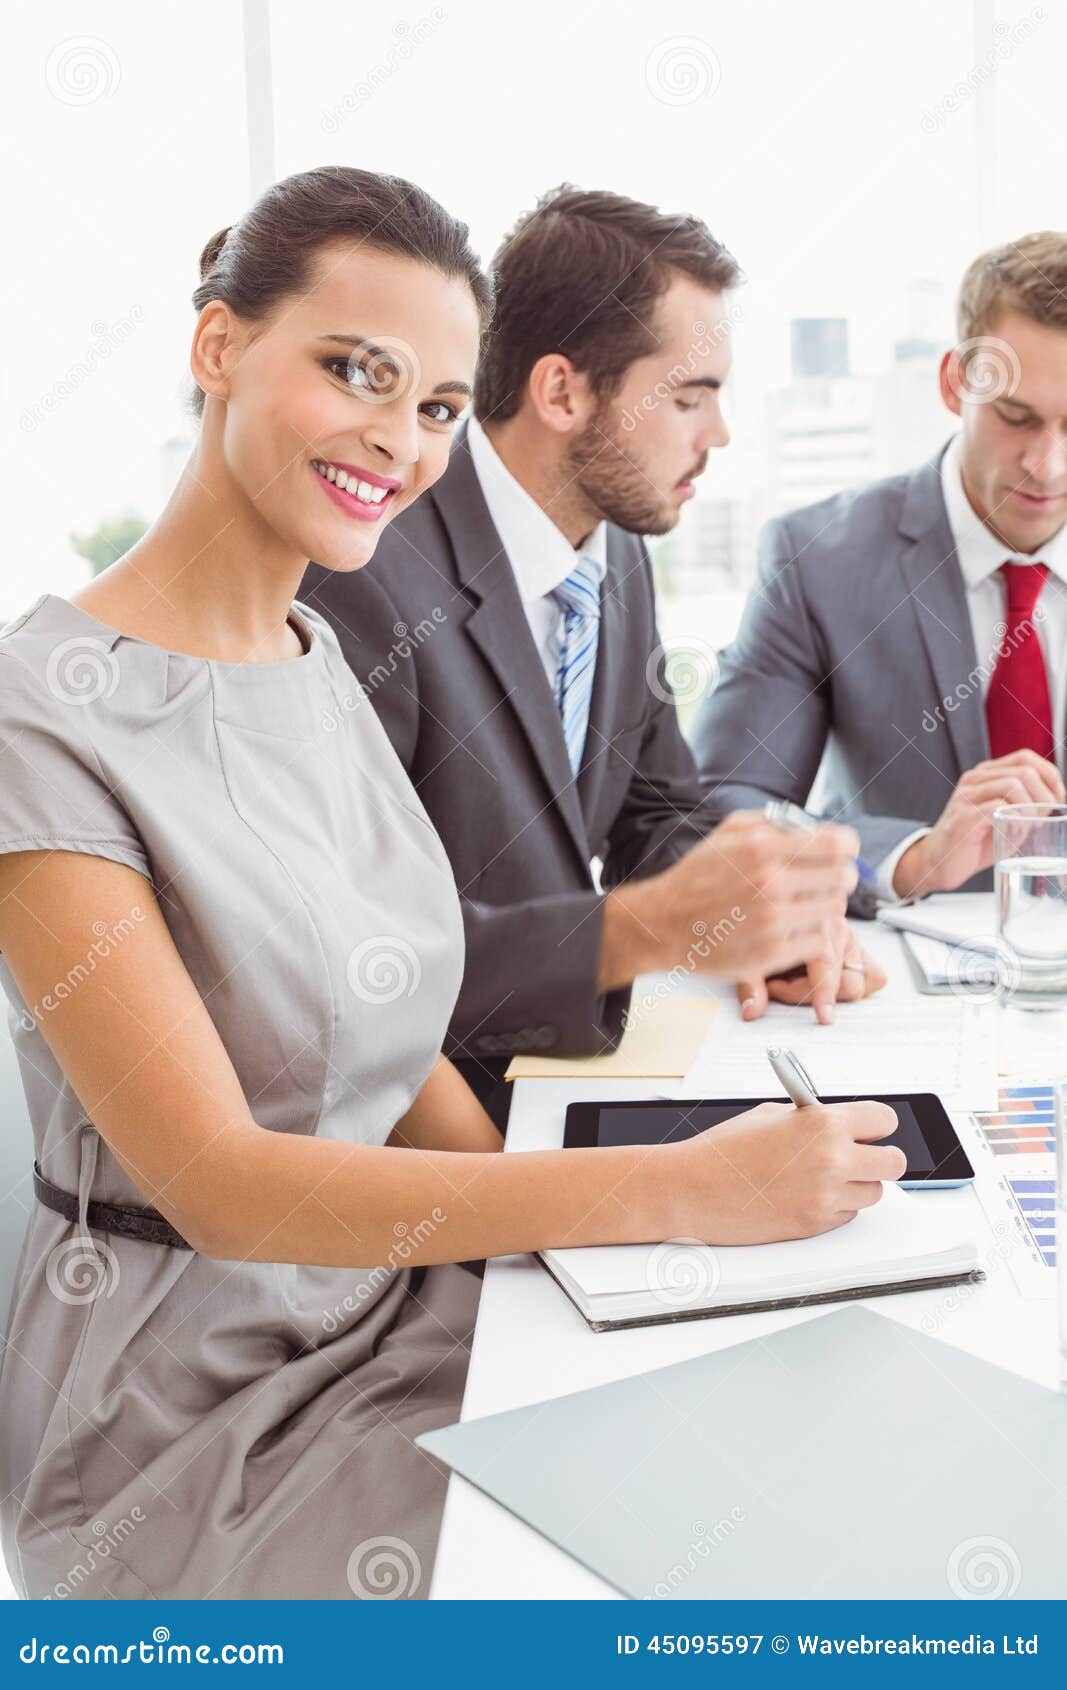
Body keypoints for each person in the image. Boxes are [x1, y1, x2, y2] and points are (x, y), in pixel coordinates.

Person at [0, 167, 904, 1602]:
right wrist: (668, 1190)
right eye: (355, 371)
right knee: (677, 1578)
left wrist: (581, 1251)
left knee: (785, 1452)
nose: (401, 443)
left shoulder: (310, 661)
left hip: (394, 1305)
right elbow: (223, 1187)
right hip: (192, 1414)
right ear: (217, 346)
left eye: (430, 405)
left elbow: (399, 1024)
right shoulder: (42, 715)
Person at [301, 186, 885, 1121]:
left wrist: (749, 913)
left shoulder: (614, 550)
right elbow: (356, 959)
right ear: (562, 391)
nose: (719, 435)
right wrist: (642, 929)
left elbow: (652, 808)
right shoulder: (367, 572)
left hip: (568, 1079)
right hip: (422, 1125)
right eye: (690, 397)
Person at [690, 232, 1067, 906]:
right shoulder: (818, 560)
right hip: (891, 991)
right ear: (955, 383)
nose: (1047, 466)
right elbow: (724, 804)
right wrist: (912, 858)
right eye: (1016, 418)